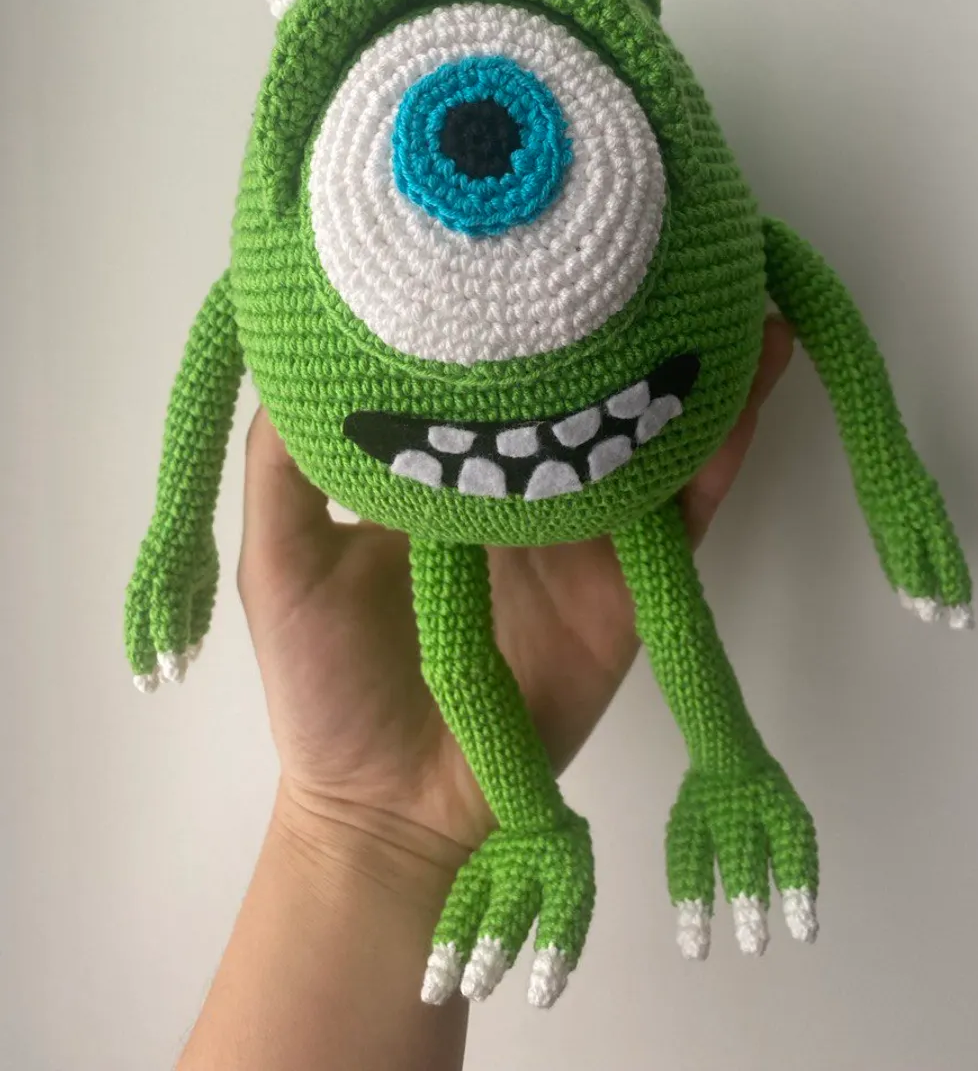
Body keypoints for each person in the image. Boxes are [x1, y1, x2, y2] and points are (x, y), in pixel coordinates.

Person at [176, 320, 794, 1070]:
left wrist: (176, 537)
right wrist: (367, 817)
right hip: (527, 496)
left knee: (657, 612)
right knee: (481, 649)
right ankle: (559, 820)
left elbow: (225, 331)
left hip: (584, 483)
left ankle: (714, 767)